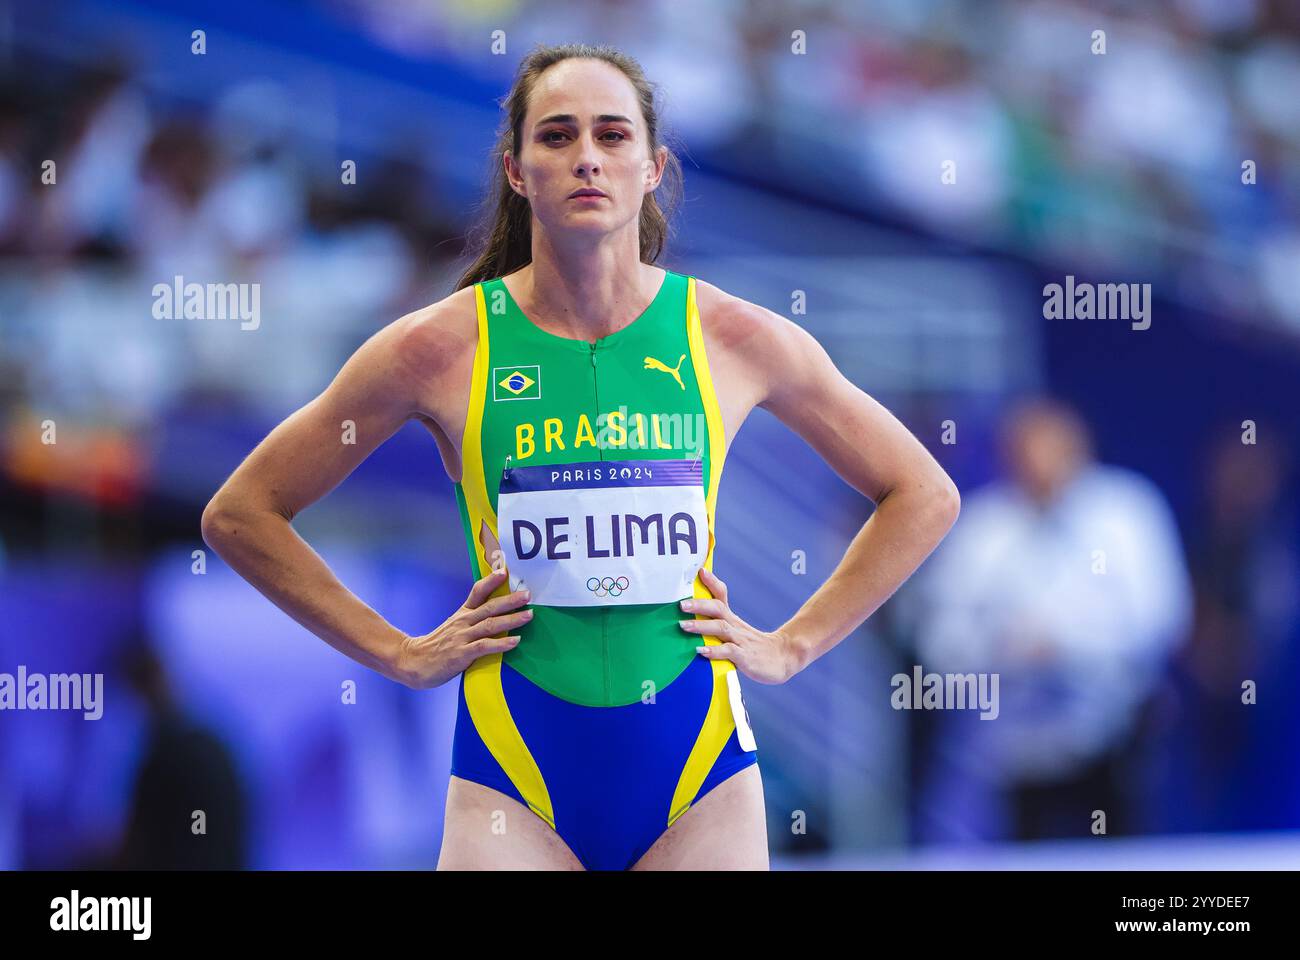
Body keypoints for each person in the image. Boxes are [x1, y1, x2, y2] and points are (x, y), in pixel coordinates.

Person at [201, 43, 960, 870]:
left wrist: (793, 644)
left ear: (652, 167)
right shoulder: (439, 347)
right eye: (557, 136)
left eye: (612, 135)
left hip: (699, 779)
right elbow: (242, 513)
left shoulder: (733, 337)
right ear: (517, 171)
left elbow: (922, 491)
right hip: (513, 782)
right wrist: (398, 652)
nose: (587, 158)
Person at [913, 398, 1192, 841]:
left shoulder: (1126, 513)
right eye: (1026, 455)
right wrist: (1001, 650)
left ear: (1079, 449)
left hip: (1116, 737)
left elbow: (1162, 620)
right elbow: (939, 639)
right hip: (1017, 751)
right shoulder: (982, 530)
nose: (1040, 469)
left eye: (1052, 453)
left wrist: (1068, 645)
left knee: (1122, 856)